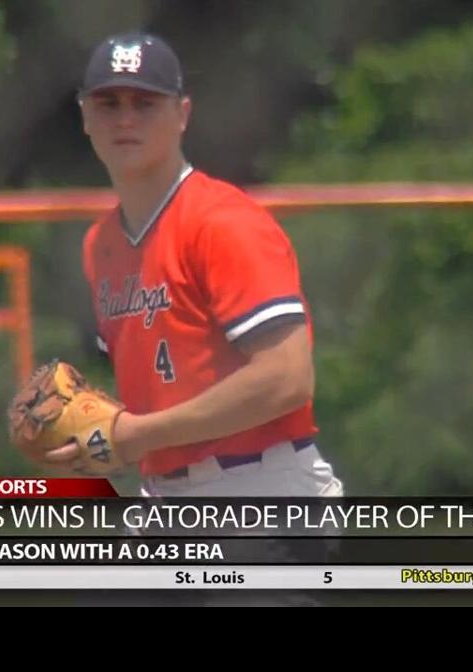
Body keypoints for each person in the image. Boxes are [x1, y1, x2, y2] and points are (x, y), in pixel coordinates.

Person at [41, 32, 343, 499]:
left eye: (145, 103)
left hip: (261, 489)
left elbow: (286, 377)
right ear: (84, 117)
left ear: (182, 114)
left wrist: (136, 435)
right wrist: (97, 429)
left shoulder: (222, 221)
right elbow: (167, 388)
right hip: (163, 493)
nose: (125, 119)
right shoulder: (99, 244)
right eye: (108, 103)